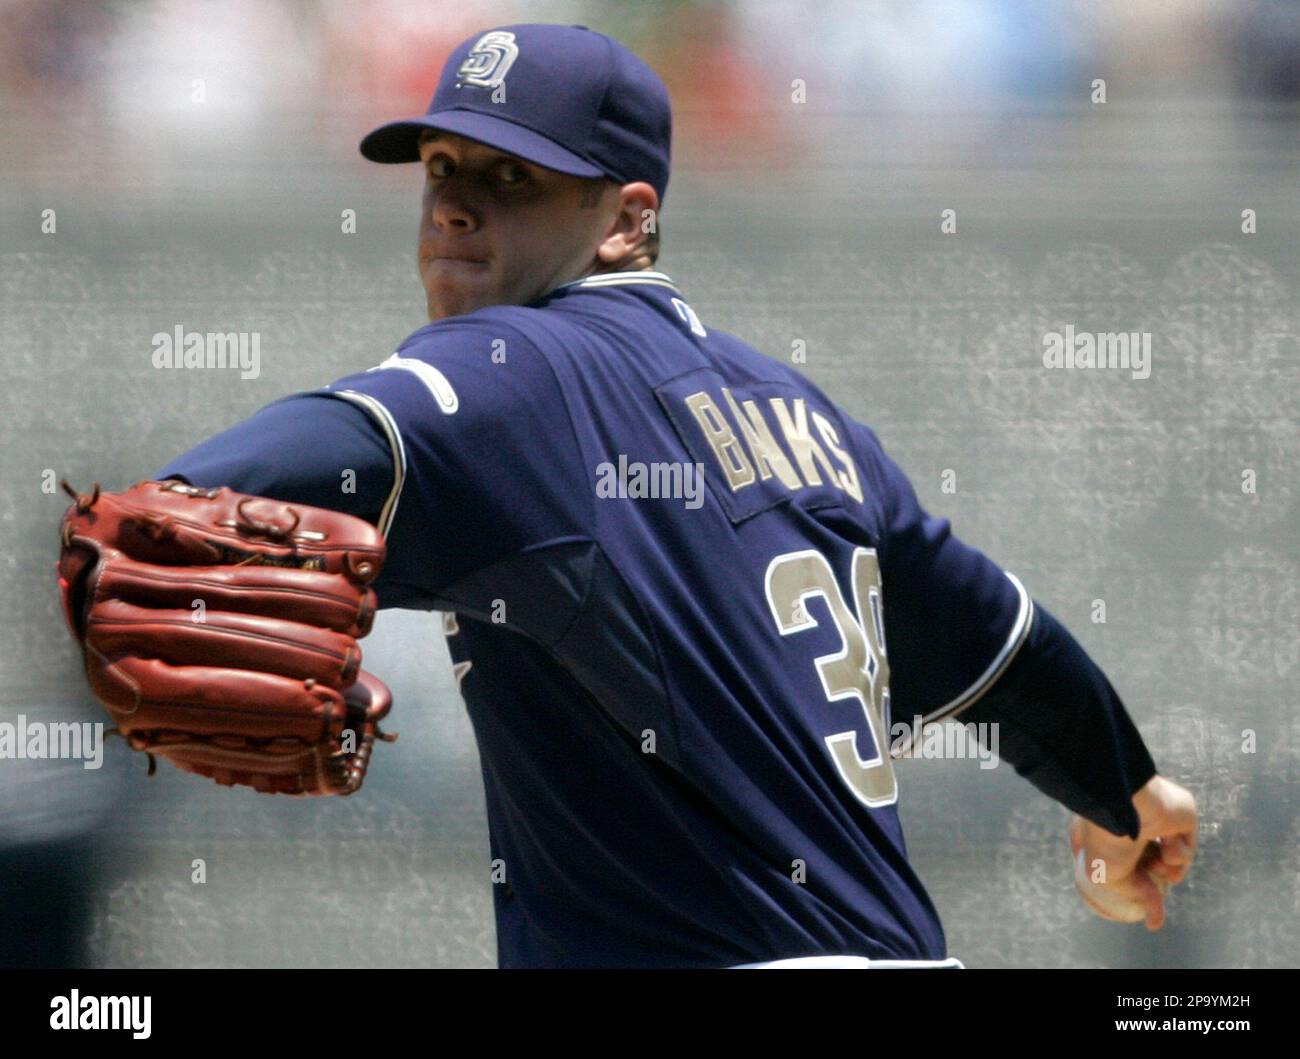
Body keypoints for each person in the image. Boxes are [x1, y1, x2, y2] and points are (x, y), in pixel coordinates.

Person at [151, 23, 1196, 968]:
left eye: (511, 176)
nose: (454, 205)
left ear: (626, 218)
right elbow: (1001, 645)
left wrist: (161, 517)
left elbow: (264, 471)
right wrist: (1130, 802)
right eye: (440, 168)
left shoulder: (511, 367)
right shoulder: (810, 422)